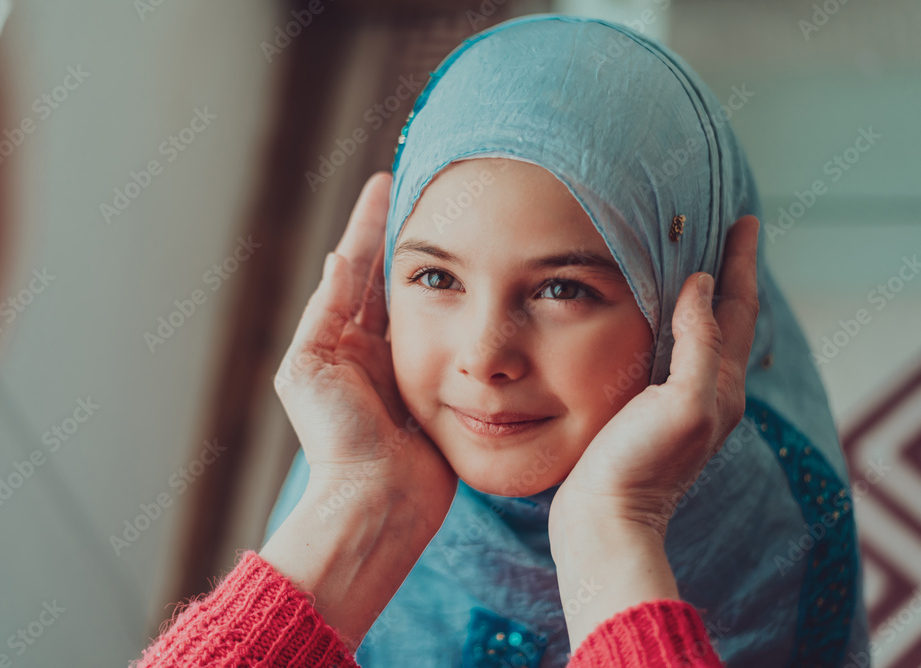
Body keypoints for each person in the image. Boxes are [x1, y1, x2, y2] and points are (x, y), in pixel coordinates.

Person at [261, 14, 869, 667]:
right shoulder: (343, 485)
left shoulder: (782, 540)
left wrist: (616, 524)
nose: (484, 357)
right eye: (436, 277)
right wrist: (352, 511)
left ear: (684, 307)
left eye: (562, 291)